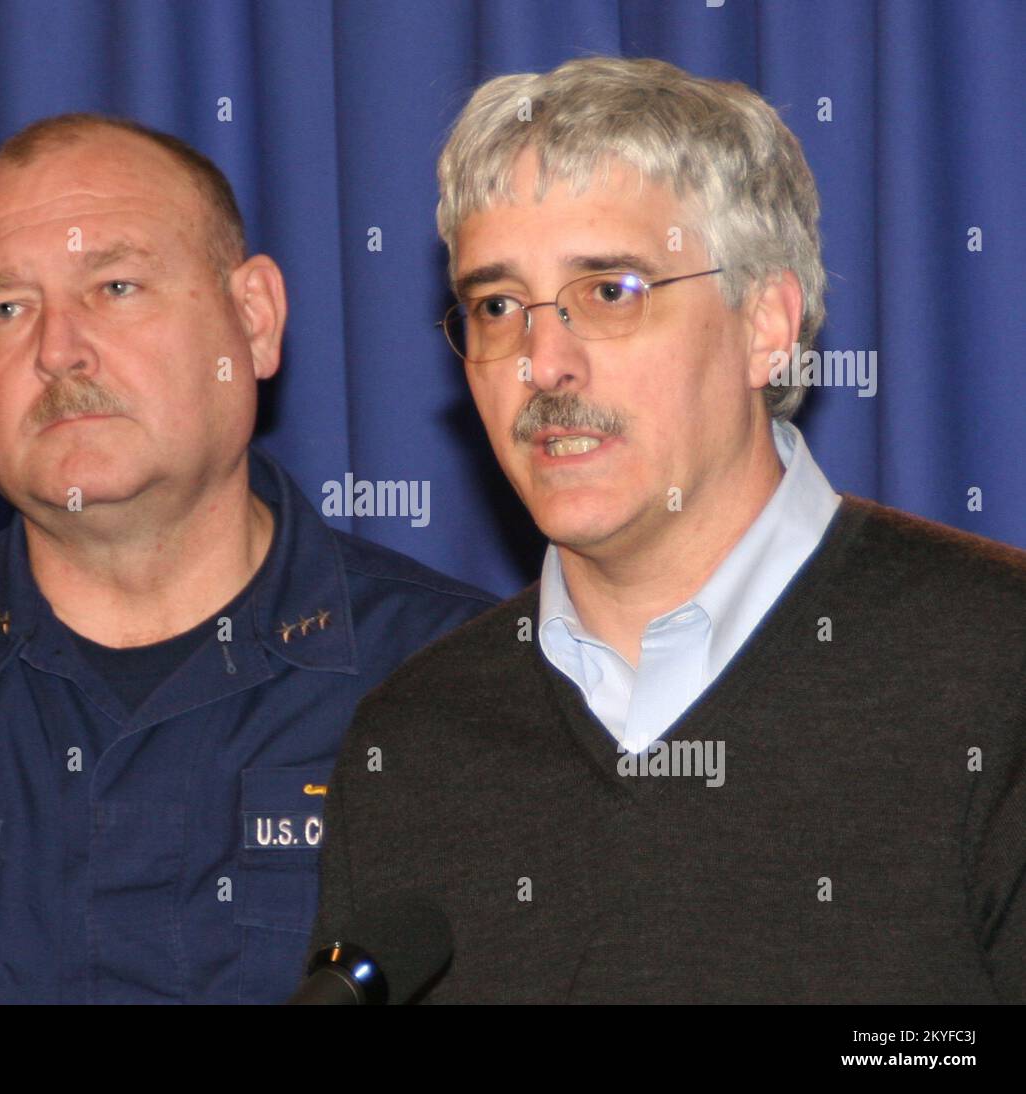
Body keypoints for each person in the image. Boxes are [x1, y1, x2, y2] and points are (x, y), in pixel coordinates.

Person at [0, 113, 494, 1004]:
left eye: (117, 286)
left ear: (253, 321)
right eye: (6, 309)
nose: (57, 350)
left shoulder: (465, 688)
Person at [308, 56, 1026, 1003]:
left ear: (767, 323)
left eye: (609, 291)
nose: (542, 363)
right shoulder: (413, 739)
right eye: (495, 307)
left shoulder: (996, 663)